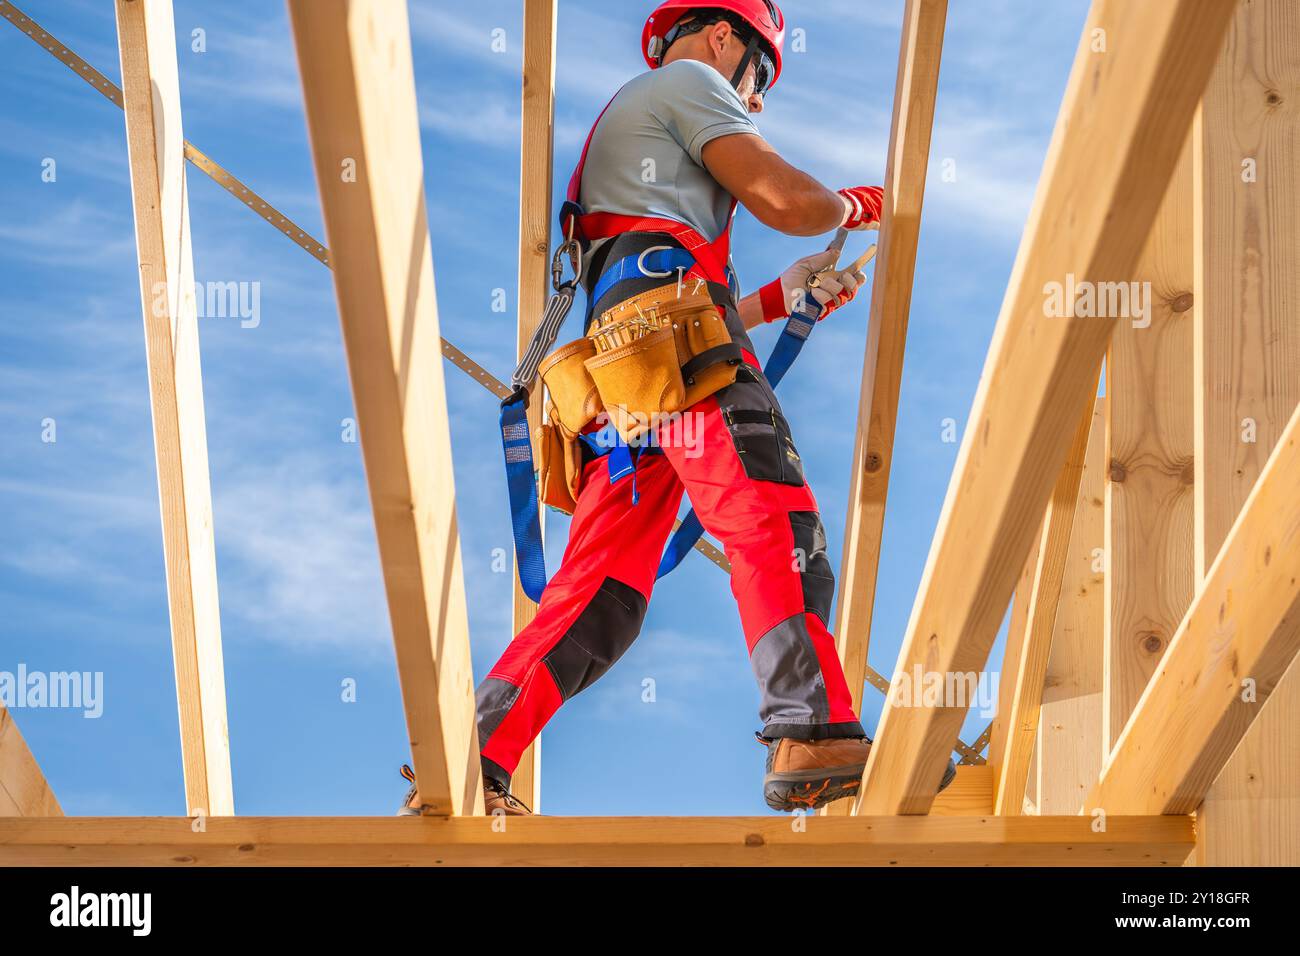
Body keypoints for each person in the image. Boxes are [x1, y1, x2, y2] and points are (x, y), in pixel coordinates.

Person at [402, 0, 954, 817]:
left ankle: (474, 760)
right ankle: (809, 726)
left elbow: (658, 267)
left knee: (602, 598)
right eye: (759, 73)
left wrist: (782, 296)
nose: (756, 98)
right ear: (726, 37)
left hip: (638, 376)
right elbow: (784, 199)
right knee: (770, 516)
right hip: (671, 355)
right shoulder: (692, 77)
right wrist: (861, 204)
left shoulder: (639, 144)